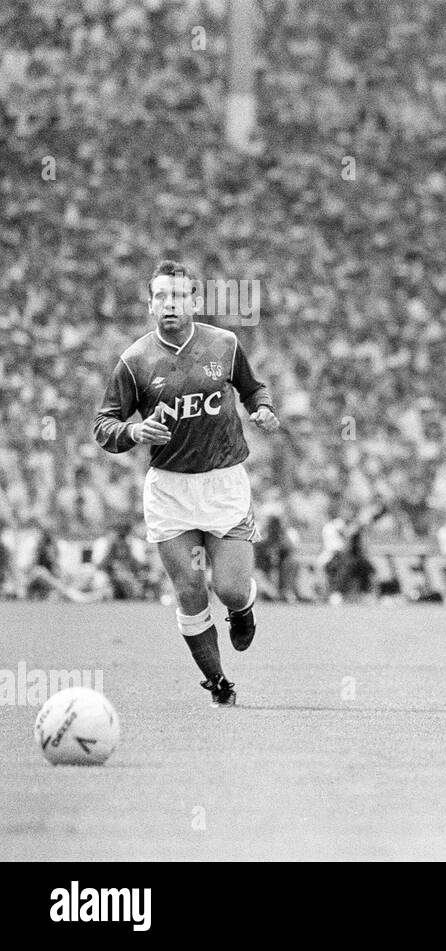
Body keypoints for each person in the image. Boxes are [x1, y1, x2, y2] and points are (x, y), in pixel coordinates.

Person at [92, 260, 279, 707]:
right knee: (190, 588)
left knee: (229, 587)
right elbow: (103, 424)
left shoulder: (225, 345)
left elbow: (253, 388)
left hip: (223, 484)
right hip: (170, 492)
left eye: (178, 296)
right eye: (160, 297)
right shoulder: (135, 361)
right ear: (150, 303)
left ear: (195, 302)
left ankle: (242, 608)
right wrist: (134, 432)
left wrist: (261, 408)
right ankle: (218, 683)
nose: (169, 305)